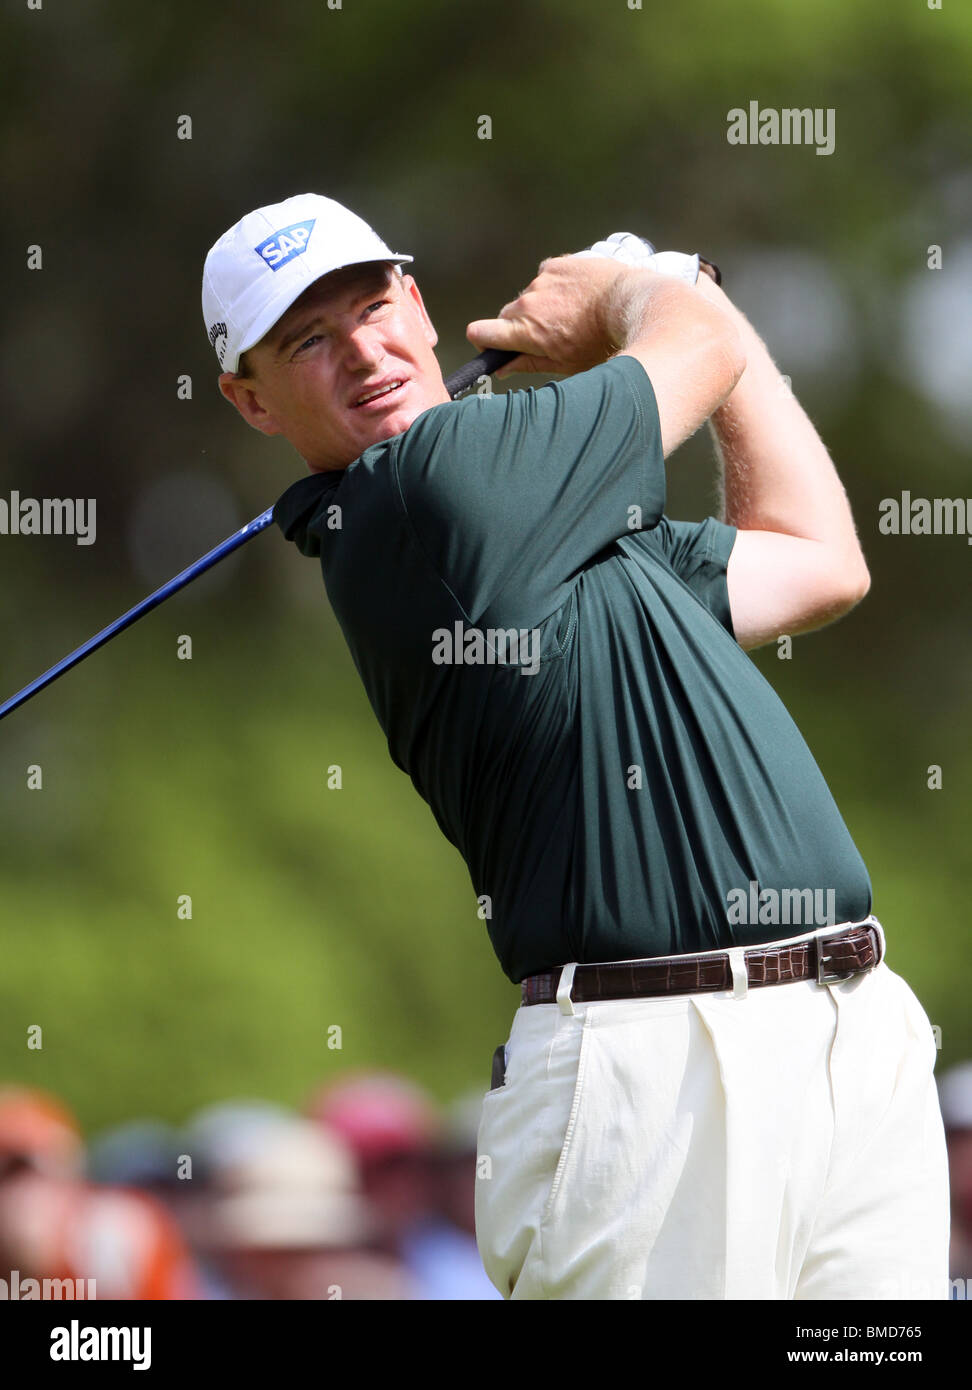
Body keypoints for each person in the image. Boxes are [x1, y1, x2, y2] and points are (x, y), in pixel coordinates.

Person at [203, 193, 950, 1300]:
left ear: (417, 301)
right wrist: (634, 295)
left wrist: (680, 305)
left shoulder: (559, 531)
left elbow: (817, 555)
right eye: (308, 340)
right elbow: (689, 340)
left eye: (372, 307)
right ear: (250, 398)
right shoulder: (424, 491)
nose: (363, 351)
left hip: (848, 1028)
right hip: (657, 1069)